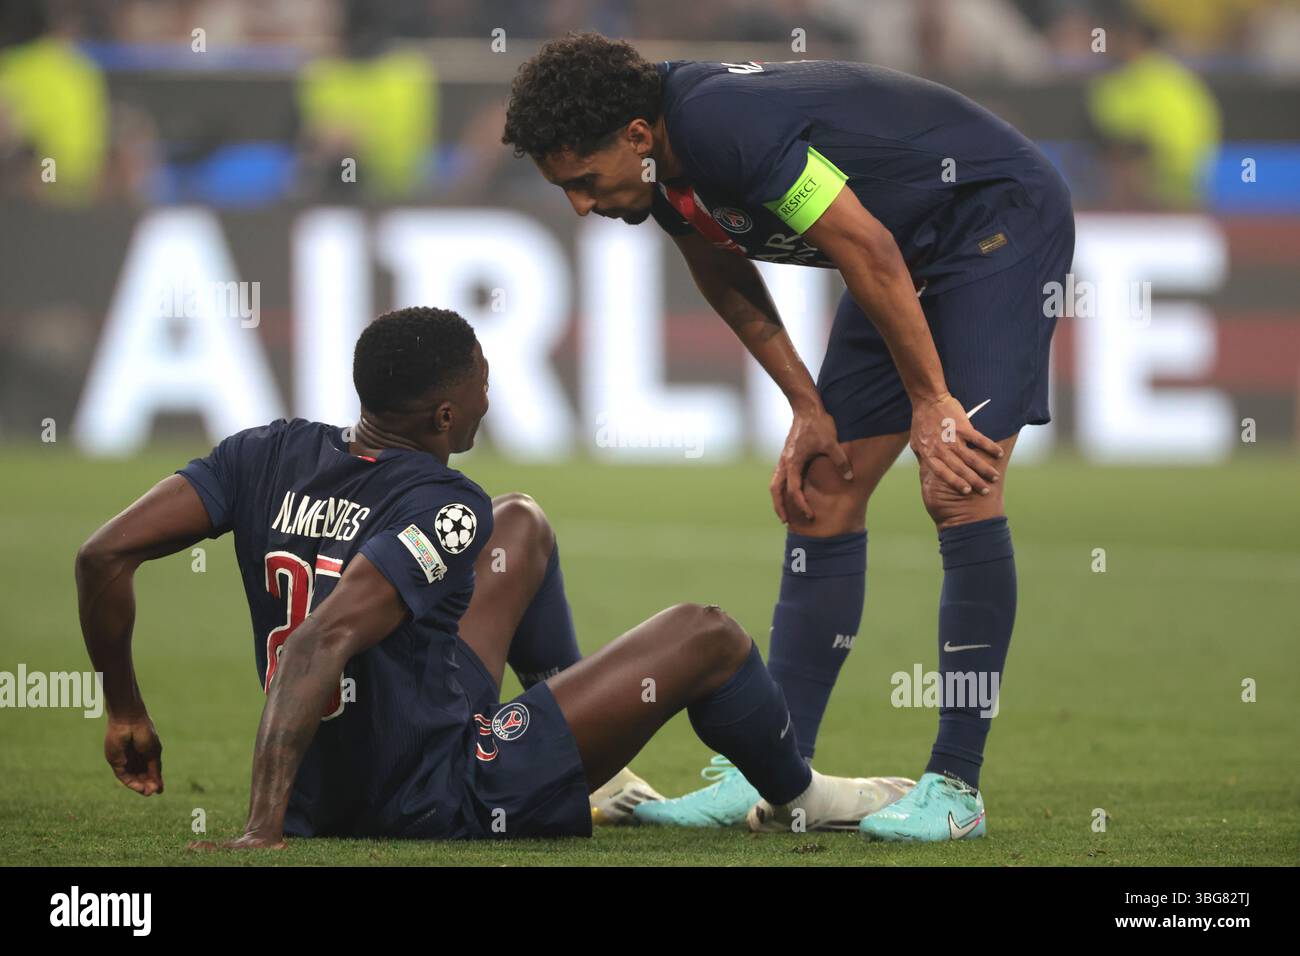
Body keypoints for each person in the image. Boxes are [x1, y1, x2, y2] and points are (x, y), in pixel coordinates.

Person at [502, 33, 1076, 841]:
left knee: (957, 479)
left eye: (585, 183)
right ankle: (774, 777)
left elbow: (864, 248)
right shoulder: (656, 165)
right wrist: (806, 405)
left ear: (635, 137)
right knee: (824, 491)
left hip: (993, 223)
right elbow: (722, 267)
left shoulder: (719, 126)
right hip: (902, 252)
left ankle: (956, 785)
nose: (581, 206)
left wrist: (933, 400)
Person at [75, 306, 909, 845]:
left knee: (523, 523)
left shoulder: (264, 452)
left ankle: (592, 767)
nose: (488, 392)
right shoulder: (443, 501)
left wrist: (123, 707)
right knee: (710, 634)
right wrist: (262, 830)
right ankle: (800, 796)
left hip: (331, 767)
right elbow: (321, 639)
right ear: (445, 414)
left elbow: (100, 555)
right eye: (481, 379)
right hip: (429, 792)